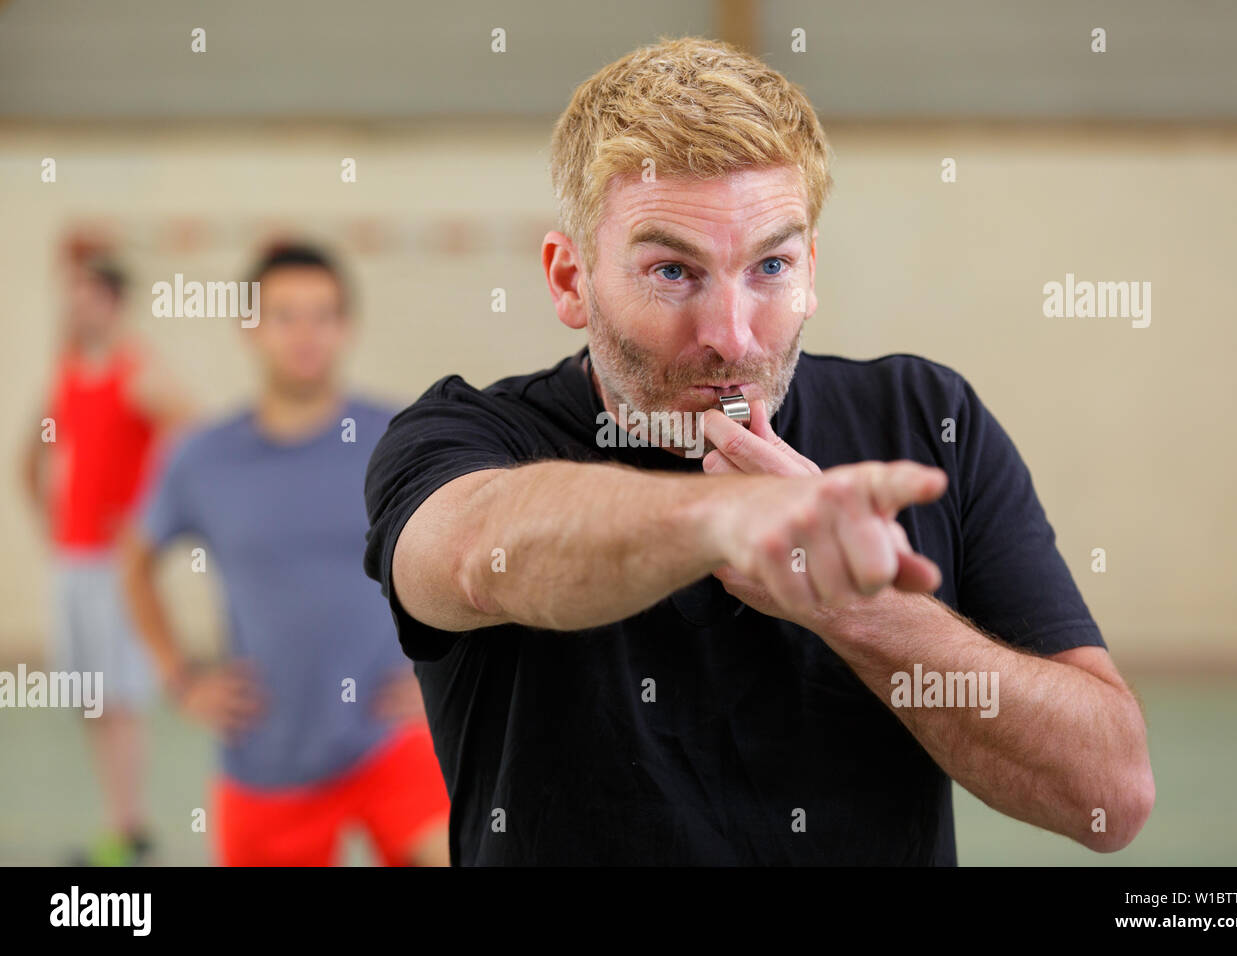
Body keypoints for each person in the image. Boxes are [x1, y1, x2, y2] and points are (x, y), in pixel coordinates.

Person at [362, 37, 1155, 865]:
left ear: (811, 269)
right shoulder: (463, 436)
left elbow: (1111, 796)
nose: (731, 338)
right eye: (673, 271)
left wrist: (857, 606)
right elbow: (472, 554)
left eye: (770, 266)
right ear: (570, 280)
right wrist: (726, 518)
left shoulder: (926, 421)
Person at [121, 243, 450, 866]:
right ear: (250, 326)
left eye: (322, 315)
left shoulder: (398, 438)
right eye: (285, 315)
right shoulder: (202, 458)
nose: (306, 334)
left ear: (345, 327)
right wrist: (180, 677)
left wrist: (449, 663)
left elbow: (477, 554)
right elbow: (134, 563)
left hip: (391, 742)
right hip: (265, 759)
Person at [21, 253, 194, 865]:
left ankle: (125, 833)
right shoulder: (68, 372)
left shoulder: (138, 374)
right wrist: (48, 516)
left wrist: (149, 523)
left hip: (114, 569)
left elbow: (194, 436)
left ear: (114, 303)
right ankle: (122, 822)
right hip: (72, 562)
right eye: (71, 296)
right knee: (91, 698)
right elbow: (31, 452)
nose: (75, 307)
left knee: (118, 698)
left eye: (88, 296)